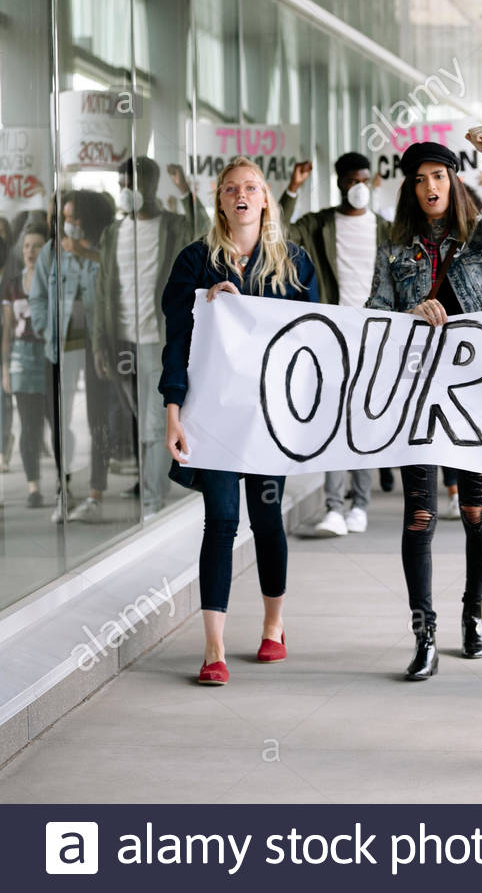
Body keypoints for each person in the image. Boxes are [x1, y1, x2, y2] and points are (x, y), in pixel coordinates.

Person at [367, 129, 482, 677]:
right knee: (419, 515)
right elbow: (374, 314)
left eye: (438, 176)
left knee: (473, 510)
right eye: (418, 181)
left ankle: (474, 613)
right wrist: (409, 312)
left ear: (454, 182)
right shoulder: (395, 251)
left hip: (476, 397)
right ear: (410, 191)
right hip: (418, 395)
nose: (429, 187)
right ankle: (424, 635)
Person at [160, 156, 318, 685]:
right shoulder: (195, 262)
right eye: (231, 189)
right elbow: (177, 343)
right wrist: (173, 413)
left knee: (267, 519)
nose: (241, 195)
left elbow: (313, 339)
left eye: (251, 187)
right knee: (222, 521)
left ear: (267, 198)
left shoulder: (294, 263)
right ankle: (214, 646)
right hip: (215, 417)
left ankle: (274, 627)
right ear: (220, 201)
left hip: (270, 419)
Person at [277, 152, 391, 537]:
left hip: (374, 336)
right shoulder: (319, 224)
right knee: (332, 420)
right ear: (339, 181)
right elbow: (277, 230)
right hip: (331, 336)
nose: (357, 187)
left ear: (370, 180)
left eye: (363, 180)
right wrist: (292, 188)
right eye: (350, 180)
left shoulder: (388, 229)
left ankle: (359, 505)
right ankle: (334, 508)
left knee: (361, 421)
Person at [94, 158, 210, 520]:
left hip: (155, 339)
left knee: (155, 421)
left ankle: (152, 501)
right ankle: (154, 485)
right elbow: (101, 291)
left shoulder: (173, 225)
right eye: (122, 183)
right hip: (121, 340)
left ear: (151, 185)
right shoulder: (112, 233)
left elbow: (202, 226)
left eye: (134, 183)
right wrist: (100, 343)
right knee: (137, 418)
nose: (127, 190)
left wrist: (187, 192)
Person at [28, 189, 117, 523]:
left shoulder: (103, 248)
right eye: (65, 217)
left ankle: (96, 492)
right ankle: (63, 489)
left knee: (98, 419)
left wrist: (83, 251)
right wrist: (44, 327)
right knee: (59, 420)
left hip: (97, 347)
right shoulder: (51, 251)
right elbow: (37, 295)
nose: (70, 223)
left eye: (75, 217)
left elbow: (116, 279)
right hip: (61, 345)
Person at [2, 226, 52, 505]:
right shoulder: (12, 284)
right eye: (26, 246)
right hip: (22, 358)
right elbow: (8, 329)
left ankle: (62, 483)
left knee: (55, 422)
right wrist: (5, 367)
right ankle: (33, 486)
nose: (31, 251)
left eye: (36, 246)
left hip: (48, 355)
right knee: (28, 426)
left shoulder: (54, 280)